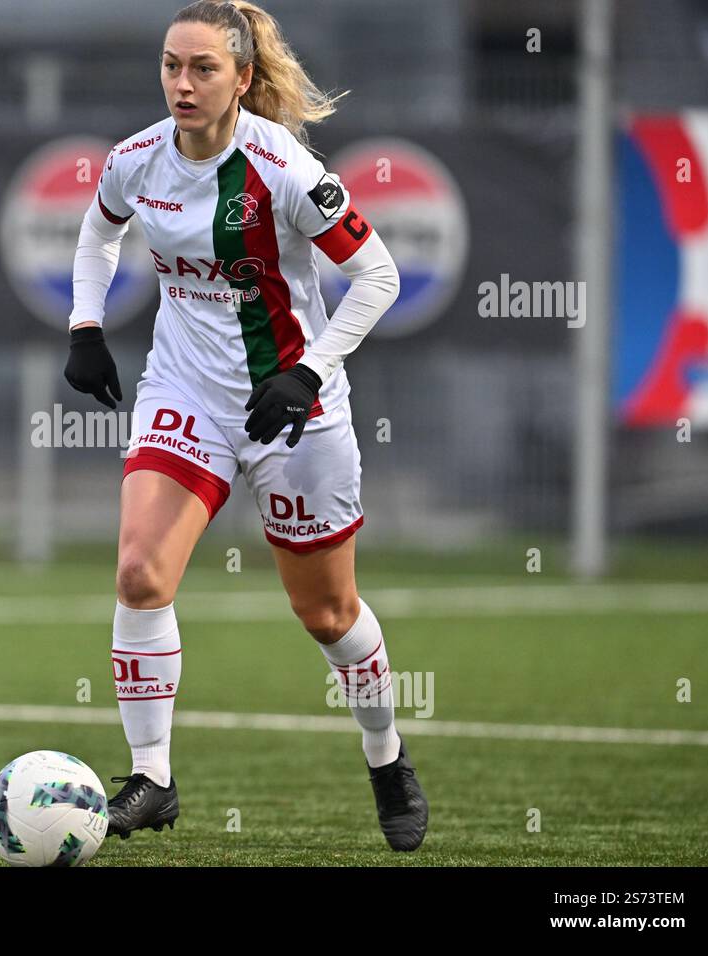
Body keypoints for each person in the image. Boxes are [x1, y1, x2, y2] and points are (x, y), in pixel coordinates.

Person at [62, 0, 428, 851]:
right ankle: (151, 777)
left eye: (202, 69)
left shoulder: (284, 168)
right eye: (170, 66)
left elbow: (377, 277)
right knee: (140, 573)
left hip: (291, 410)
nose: (181, 85)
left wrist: (309, 371)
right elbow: (98, 230)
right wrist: (86, 326)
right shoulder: (136, 159)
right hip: (184, 391)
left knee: (329, 614)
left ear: (242, 79)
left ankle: (386, 754)